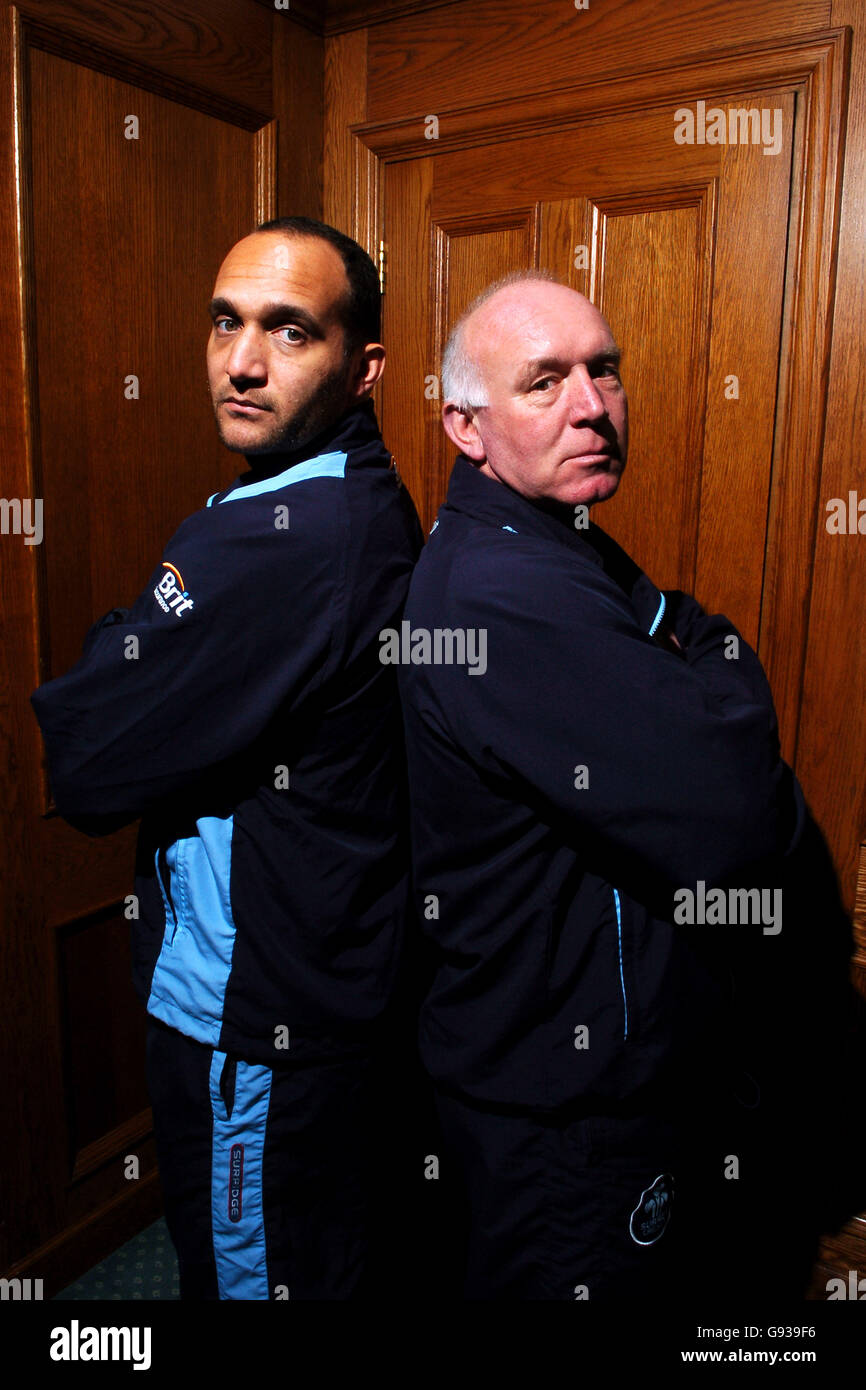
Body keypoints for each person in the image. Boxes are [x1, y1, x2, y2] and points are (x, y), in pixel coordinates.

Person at [397, 270, 859, 1301]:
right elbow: (736, 811)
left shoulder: (553, 542)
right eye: (543, 381)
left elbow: (682, 636)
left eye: (601, 370)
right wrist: (717, 662)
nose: (590, 406)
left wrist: (692, 659)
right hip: (565, 1109)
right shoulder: (505, 588)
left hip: (588, 1077)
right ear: (464, 426)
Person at [31, 217, 423, 1300]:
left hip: (257, 1014)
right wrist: (141, 655)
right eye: (225, 321)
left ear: (362, 366)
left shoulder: (284, 536)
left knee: (254, 1282)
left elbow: (90, 753)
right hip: (315, 988)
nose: (241, 362)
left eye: (290, 330)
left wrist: (127, 649)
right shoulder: (343, 499)